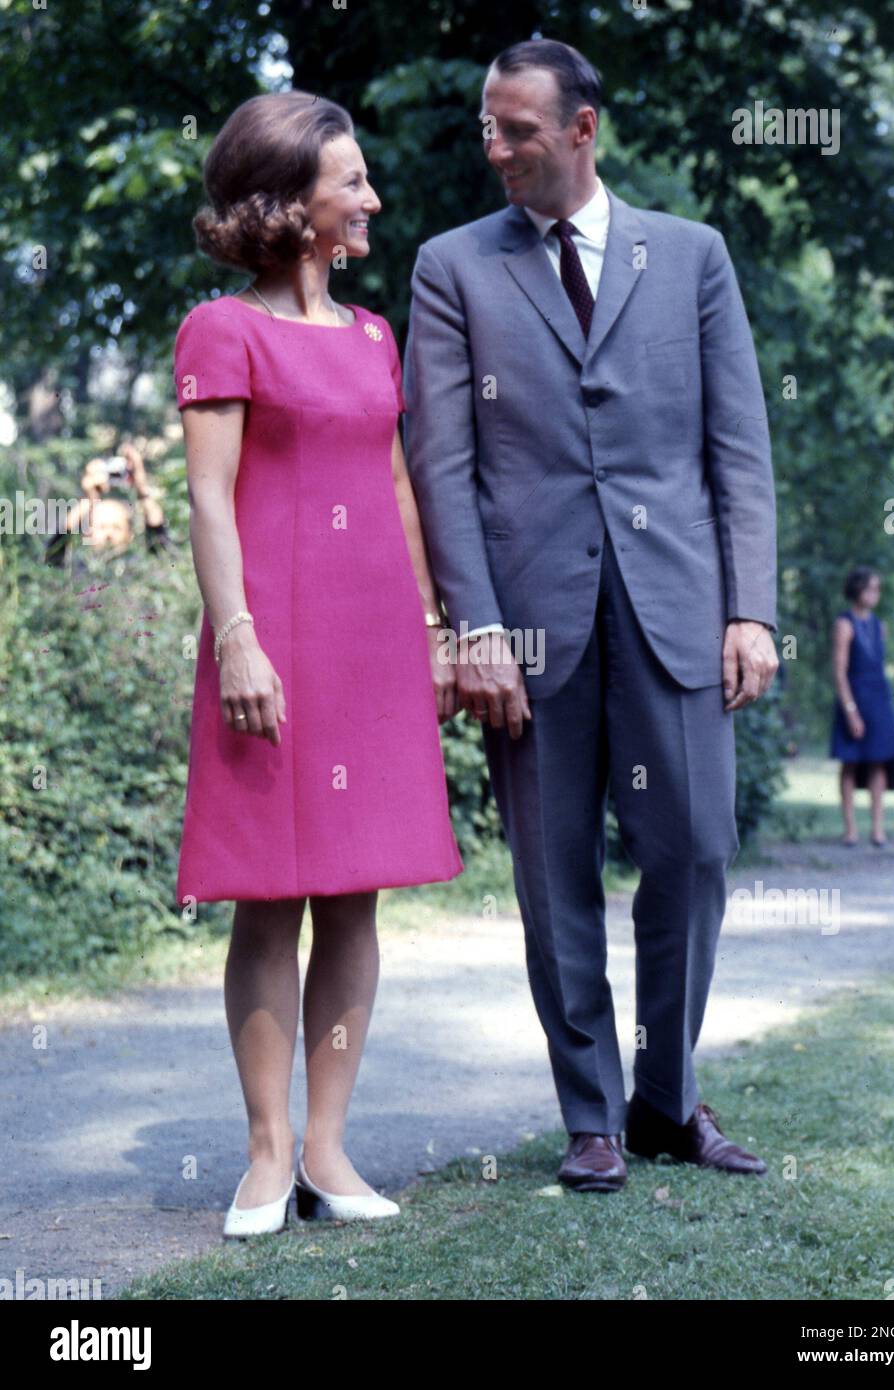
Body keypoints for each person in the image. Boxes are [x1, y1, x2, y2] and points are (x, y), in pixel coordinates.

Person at [404, 39, 779, 1192]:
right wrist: (471, 629)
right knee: (552, 872)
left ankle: (665, 1098)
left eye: (516, 129)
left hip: (677, 611)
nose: (495, 147)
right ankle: (591, 1116)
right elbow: (442, 464)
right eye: (485, 127)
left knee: (695, 851)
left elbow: (736, 449)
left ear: (582, 129)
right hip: (528, 626)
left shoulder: (694, 257)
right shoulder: (450, 266)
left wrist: (750, 610)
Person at [173, 91, 463, 1238]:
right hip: (270, 640)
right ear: (291, 203)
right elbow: (207, 497)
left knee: (354, 897)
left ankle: (331, 1152)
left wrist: (434, 633)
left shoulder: (373, 336)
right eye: (352, 182)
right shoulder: (220, 330)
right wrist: (235, 632)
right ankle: (265, 1154)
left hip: (374, 643)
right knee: (268, 898)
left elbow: (394, 491)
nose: (372, 200)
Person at [829, 566, 894, 846]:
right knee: (850, 761)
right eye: (870, 588)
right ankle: (850, 830)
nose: (875, 594)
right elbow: (839, 671)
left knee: (878, 760)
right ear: (857, 589)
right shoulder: (844, 624)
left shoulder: (879, 625)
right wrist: (850, 711)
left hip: (879, 699)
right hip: (854, 697)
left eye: (877, 588)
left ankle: (877, 829)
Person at [44, 441, 170, 571]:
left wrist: (142, 490)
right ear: (87, 534)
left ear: (129, 534)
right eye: (102, 527)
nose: (109, 534)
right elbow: (56, 547)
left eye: (117, 528)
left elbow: (159, 542)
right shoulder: (75, 571)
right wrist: (88, 498)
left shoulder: (139, 570)